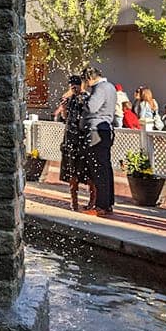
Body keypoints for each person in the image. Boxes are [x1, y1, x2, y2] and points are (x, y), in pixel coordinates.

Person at [81, 66, 117, 217]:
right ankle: (107, 203)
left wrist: (84, 95)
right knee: (105, 168)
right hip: (106, 130)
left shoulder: (99, 88)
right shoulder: (111, 87)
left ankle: (101, 206)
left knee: (98, 168)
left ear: (89, 78)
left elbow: (91, 107)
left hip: (96, 131)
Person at [53, 75, 91, 211]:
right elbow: (65, 118)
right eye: (71, 86)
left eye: (75, 85)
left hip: (82, 140)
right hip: (69, 138)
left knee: (86, 170)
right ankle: (73, 200)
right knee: (71, 171)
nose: (73, 88)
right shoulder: (70, 99)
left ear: (81, 85)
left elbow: (87, 116)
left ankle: (92, 200)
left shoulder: (86, 98)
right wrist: (63, 109)